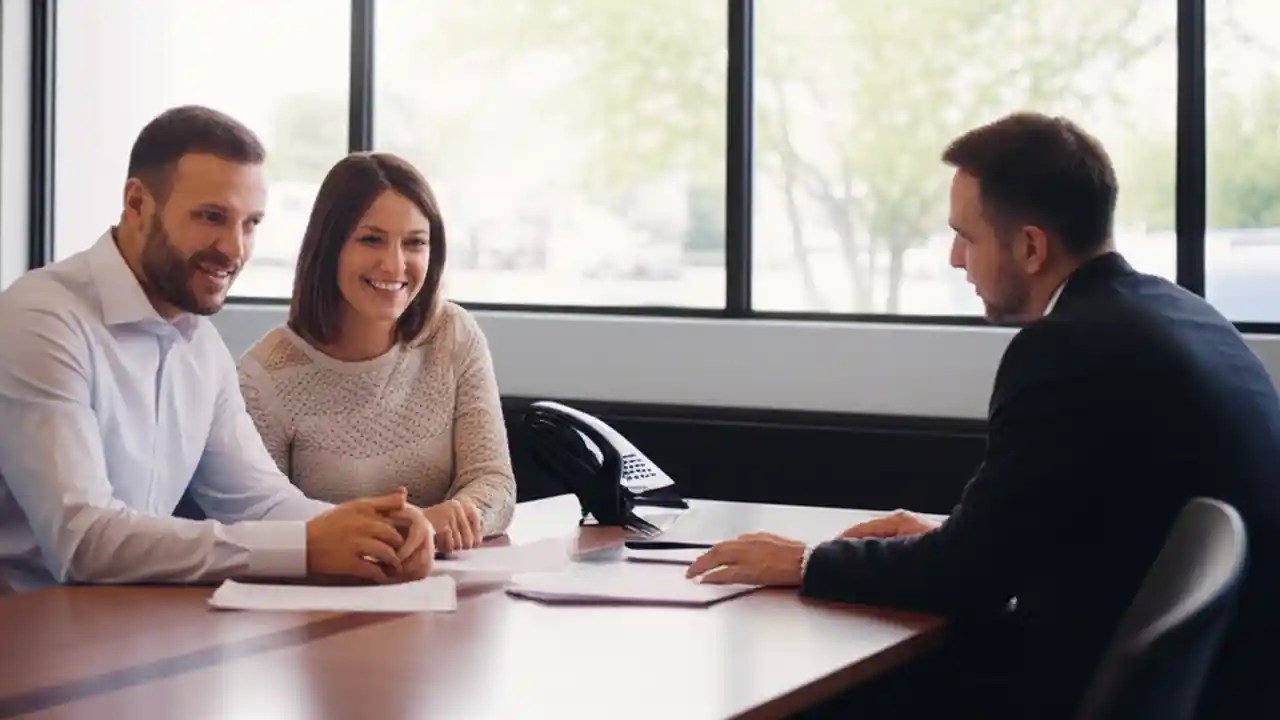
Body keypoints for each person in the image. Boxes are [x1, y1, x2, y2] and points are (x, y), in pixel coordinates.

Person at [686, 112, 1279, 718]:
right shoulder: (1186, 317)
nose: (952, 258)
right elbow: (1062, 533)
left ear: (1028, 246)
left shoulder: (1066, 349)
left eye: (966, 236)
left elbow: (968, 576)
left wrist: (807, 562)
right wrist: (957, 541)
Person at [0, 106, 433, 594]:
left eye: (250, 224)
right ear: (137, 203)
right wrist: (306, 549)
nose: (234, 249)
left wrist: (375, 531)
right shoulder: (41, 320)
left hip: (121, 630)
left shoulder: (200, 345)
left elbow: (262, 503)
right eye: (212, 217)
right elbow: (82, 541)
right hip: (23, 641)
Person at [237, 152, 515, 554]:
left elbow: (494, 482)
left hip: (445, 590)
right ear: (329, 247)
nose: (394, 264)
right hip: (321, 600)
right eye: (371, 240)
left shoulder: (454, 335)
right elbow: (262, 523)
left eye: (415, 243)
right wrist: (411, 528)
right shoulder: (264, 377)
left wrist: (458, 513)